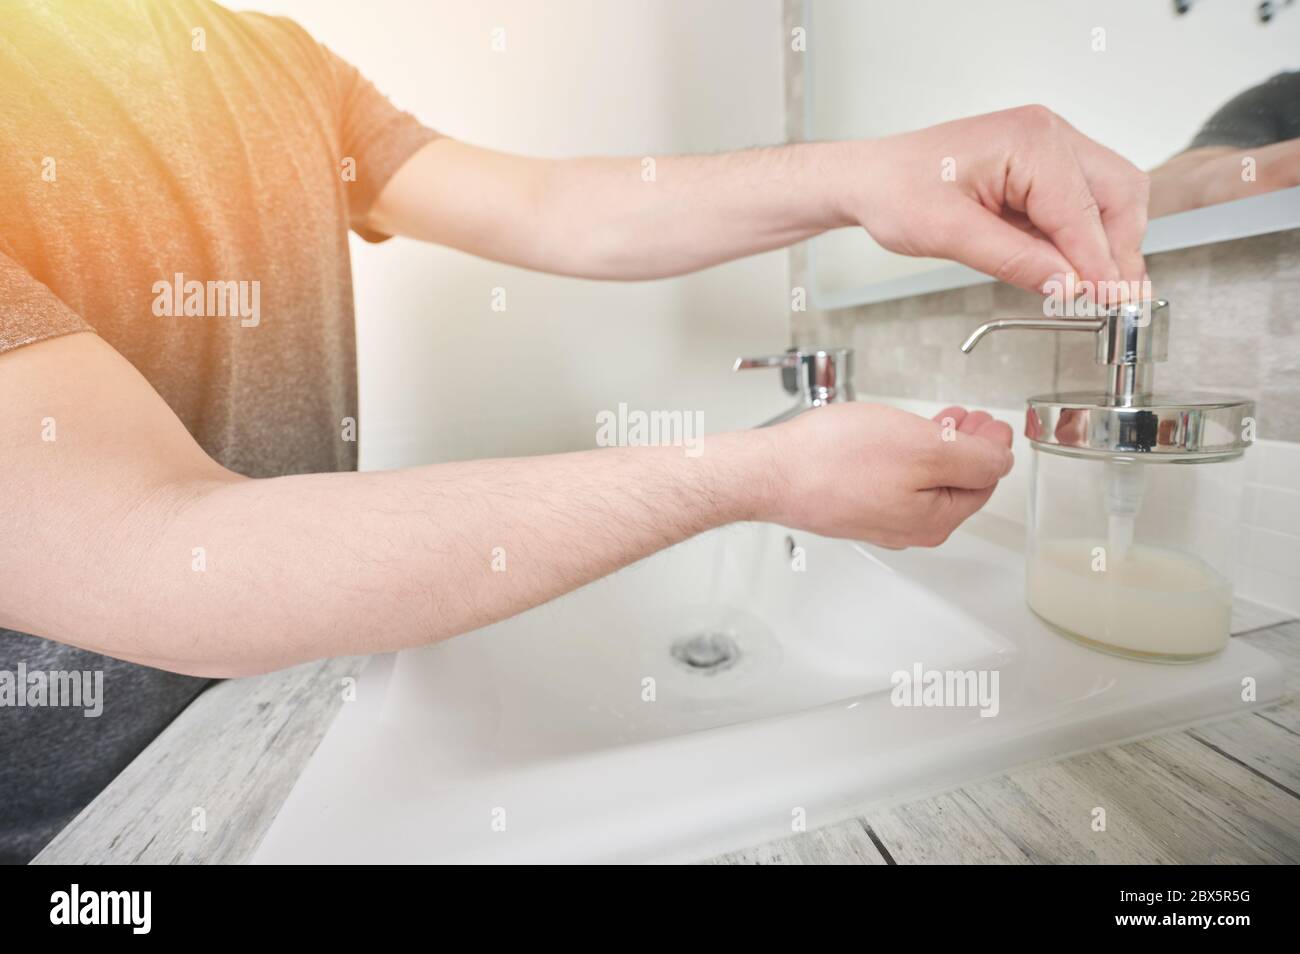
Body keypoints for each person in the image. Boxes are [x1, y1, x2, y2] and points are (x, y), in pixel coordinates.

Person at [0, 0, 1149, 863]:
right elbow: (151, 547)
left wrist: (863, 175)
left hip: (307, 696)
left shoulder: (273, 61)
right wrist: (754, 474)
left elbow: (558, 211)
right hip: (89, 823)